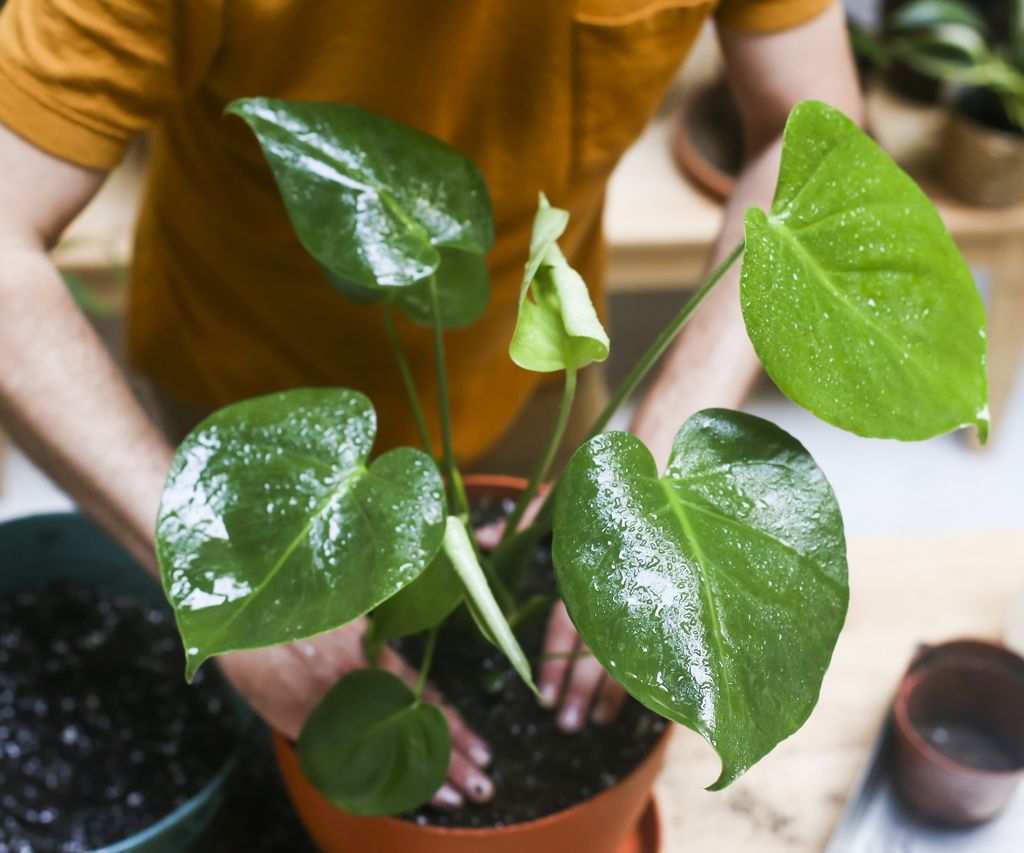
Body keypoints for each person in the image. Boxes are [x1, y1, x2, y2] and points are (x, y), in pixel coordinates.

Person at [0, 0, 863, 808]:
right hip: (252, 413)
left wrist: (654, 474)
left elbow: (808, 141)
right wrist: (233, 597)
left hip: (533, 378)